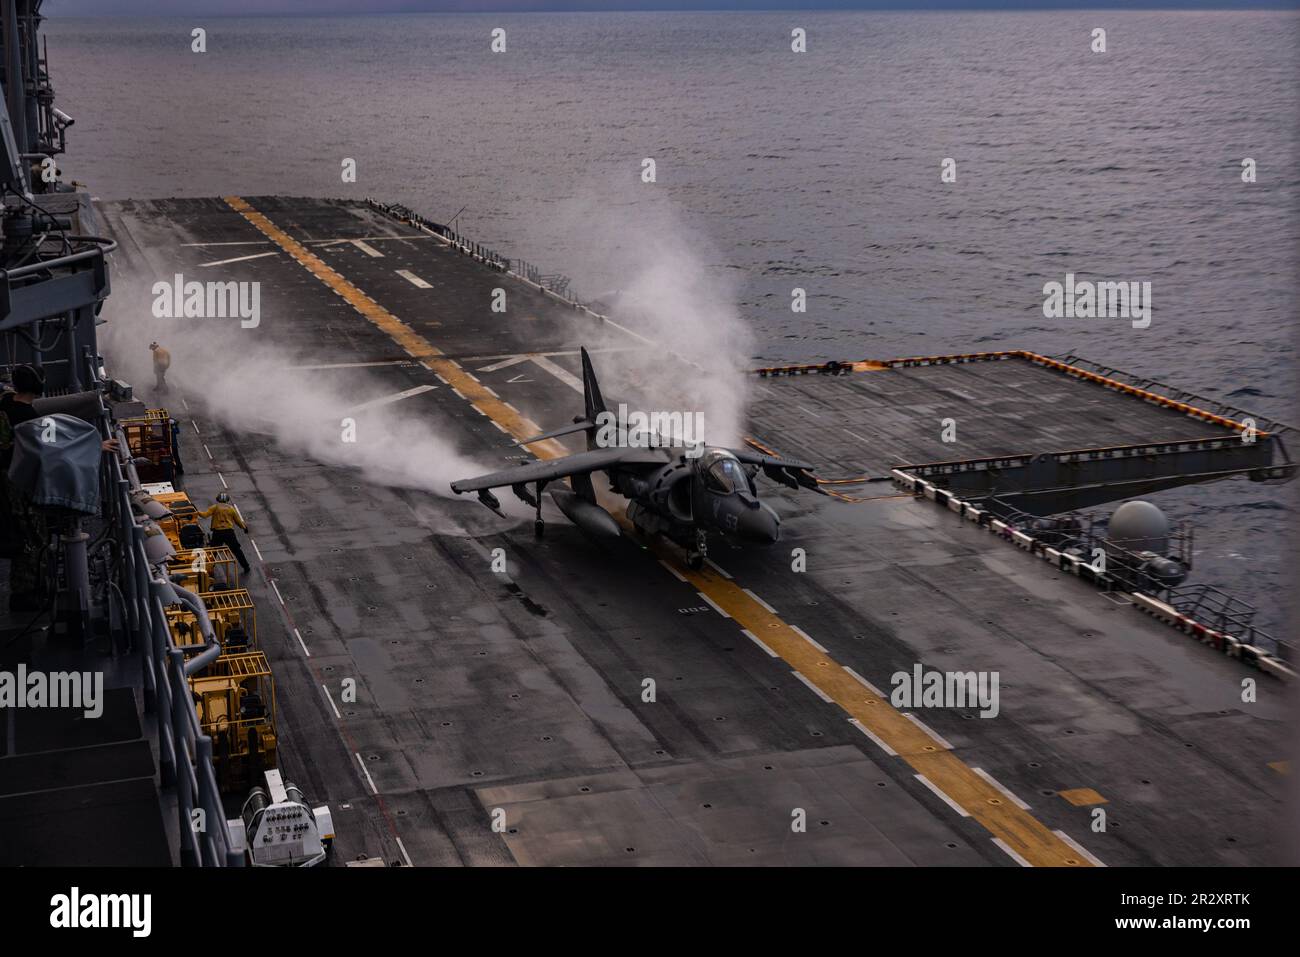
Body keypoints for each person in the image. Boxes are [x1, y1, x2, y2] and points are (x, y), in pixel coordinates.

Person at [0, 365, 120, 610]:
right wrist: (97, 445)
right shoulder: (25, 418)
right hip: (16, 486)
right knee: (32, 541)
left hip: (7, 480)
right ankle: (25, 598)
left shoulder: (5, 404)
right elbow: (55, 451)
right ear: (39, 385)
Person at [198, 491, 251, 574]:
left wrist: (197, 511)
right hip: (229, 533)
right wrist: (244, 528)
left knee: (213, 551)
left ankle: (209, 569)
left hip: (217, 533)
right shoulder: (231, 509)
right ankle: (246, 566)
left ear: (218, 499)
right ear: (227, 500)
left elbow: (204, 515)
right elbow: (238, 521)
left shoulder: (214, 507)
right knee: (237, 550)